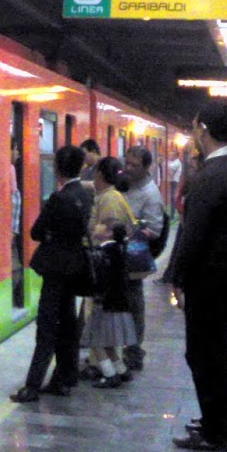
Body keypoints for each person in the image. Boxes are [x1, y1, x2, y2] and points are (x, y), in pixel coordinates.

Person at [167, 104, 227, 451]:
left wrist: (177, 275)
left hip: (212, 278)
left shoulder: (213, 172)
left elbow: (194, 231)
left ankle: (218, 431)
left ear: (203, 129)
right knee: (217, 352)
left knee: (205, 354)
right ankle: (218, 421)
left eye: (193, 127)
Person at [11, 144, 89, 403]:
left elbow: (36, 231)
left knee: (46, 327)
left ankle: (32, 385)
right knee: (68, 324)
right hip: (75, 267)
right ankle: (65, 378)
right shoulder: (84, 194)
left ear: (57, 168)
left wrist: (51, 235)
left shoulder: (60, 198)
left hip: (55, 269)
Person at [82, 156, 137, 388]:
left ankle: (109, 372)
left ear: (102, 176)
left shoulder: (110, 199)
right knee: (106, 328)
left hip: (105, 278)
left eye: (95, 173)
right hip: (110, 278)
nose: (93, 177)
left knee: (95, 328)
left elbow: (106, 231)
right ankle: (119, 369)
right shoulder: (109, 195)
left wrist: (89, 230)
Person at [121, 145, 166, 371]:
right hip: (115, 254)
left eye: (134, 165)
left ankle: (134, 349)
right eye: (126, 163)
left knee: (133, 304)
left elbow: (155, 229)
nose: (127, 168)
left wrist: (130, 228)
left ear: (146, 167)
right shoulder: (123, 182)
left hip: (132, 258)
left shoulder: (150, 194)